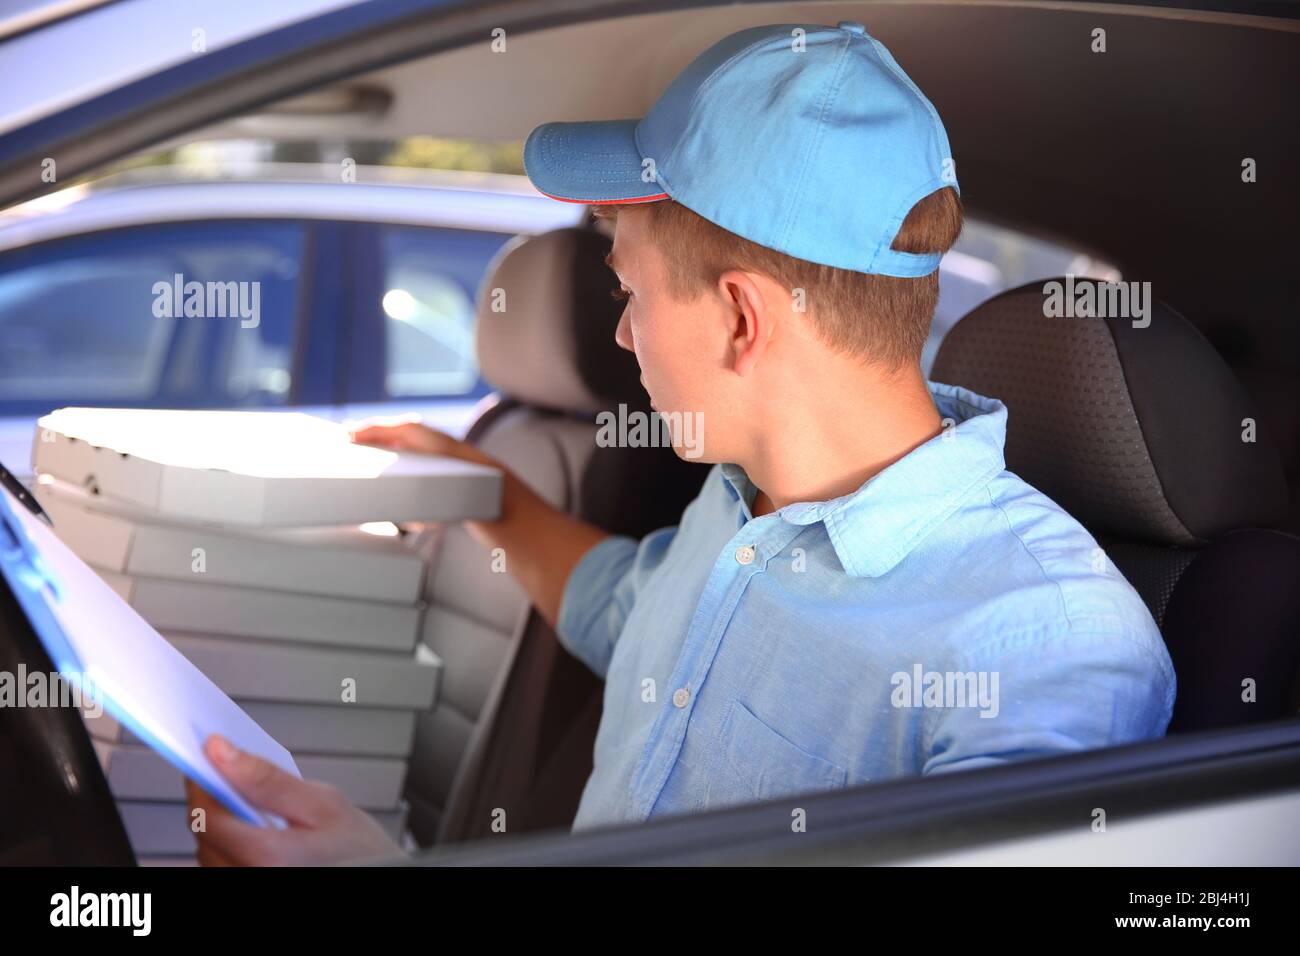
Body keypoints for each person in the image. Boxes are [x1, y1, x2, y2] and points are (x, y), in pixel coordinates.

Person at [187, 20, 1174, 865]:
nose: (621, 334)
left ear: (741, 319)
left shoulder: (1045, 651)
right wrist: (492, 495)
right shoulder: (739, 498)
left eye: (629, 289)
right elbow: (632, 612)